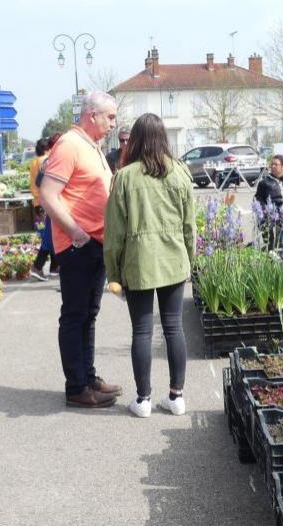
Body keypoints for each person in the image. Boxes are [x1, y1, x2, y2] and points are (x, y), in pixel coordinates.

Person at [104, 113, 195, 418]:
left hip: (138, 262)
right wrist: (189, 263)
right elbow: (189, 226)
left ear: (136, 139)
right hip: (174, 260)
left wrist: (114, 276)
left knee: (141, 331)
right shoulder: (180, 173)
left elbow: (114, 235)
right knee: (173, 328)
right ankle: (177, 397)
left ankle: (143, 400)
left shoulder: (125, 177)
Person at [39, 91, 123, 408]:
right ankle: (76, 387)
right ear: (92, 115)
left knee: (88, 315)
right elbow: (48, 195)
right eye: (110, 117)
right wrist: (75, 231)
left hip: (94, 242)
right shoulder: (69, 145)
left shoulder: (91, 146)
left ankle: (87, 377)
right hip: (79, 245)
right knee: (75, 316)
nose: (114, 124)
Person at [27, 138, 55, 280]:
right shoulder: (45, 160)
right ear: (47, 148)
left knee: (45, 233)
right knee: (48, 236)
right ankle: (39, 266)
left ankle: (54, 266)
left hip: (37, 203)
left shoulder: (33, 161)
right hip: (44, 204)